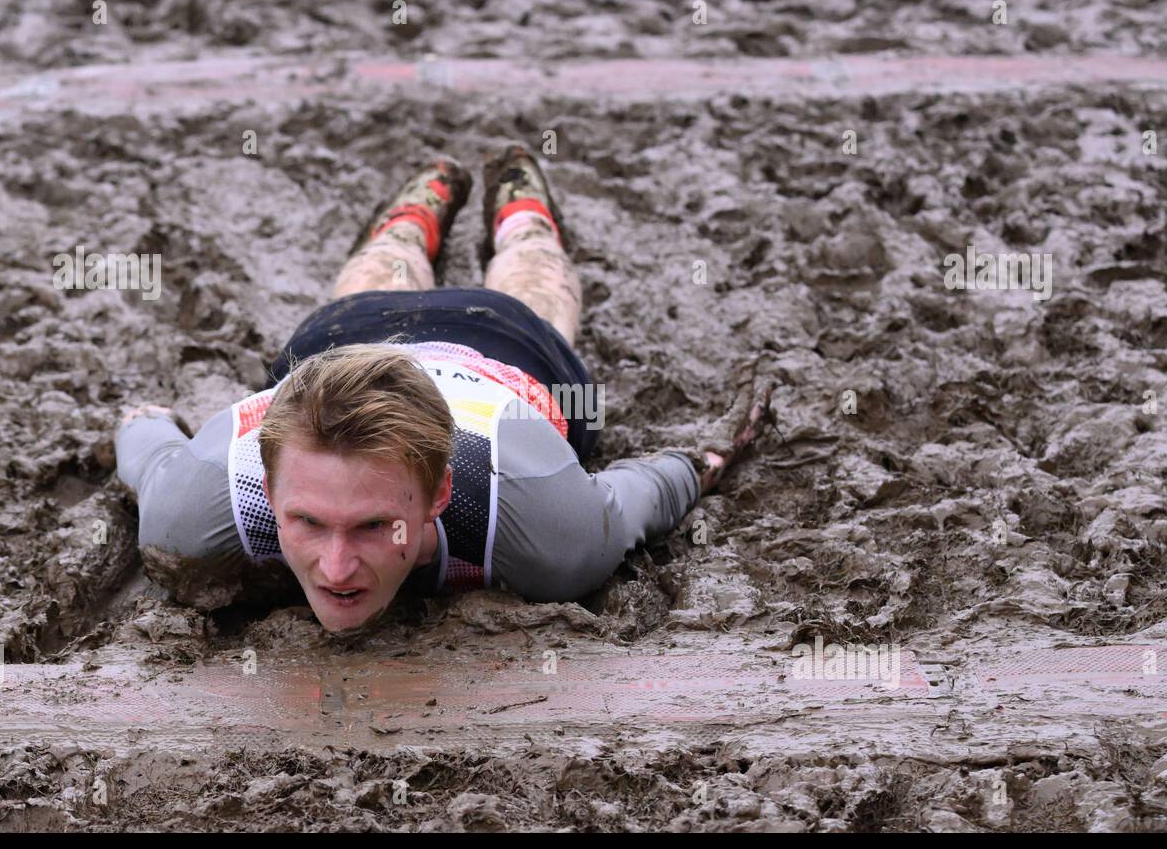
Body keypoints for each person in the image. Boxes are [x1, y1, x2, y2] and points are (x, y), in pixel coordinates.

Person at [116, 144, 773, 635]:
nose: (337, 568)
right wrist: (139, 423)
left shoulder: (543, 525)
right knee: (380, 273)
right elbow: (143, 438)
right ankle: (420, 210)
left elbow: (640, 496)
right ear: (267, 480)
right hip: (347, 339)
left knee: (534, 277)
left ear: (439, 494)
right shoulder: (194, 514)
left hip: (506, 341)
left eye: (374, 525)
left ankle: (514, 203)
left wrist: (703, 464)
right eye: (307, 521)